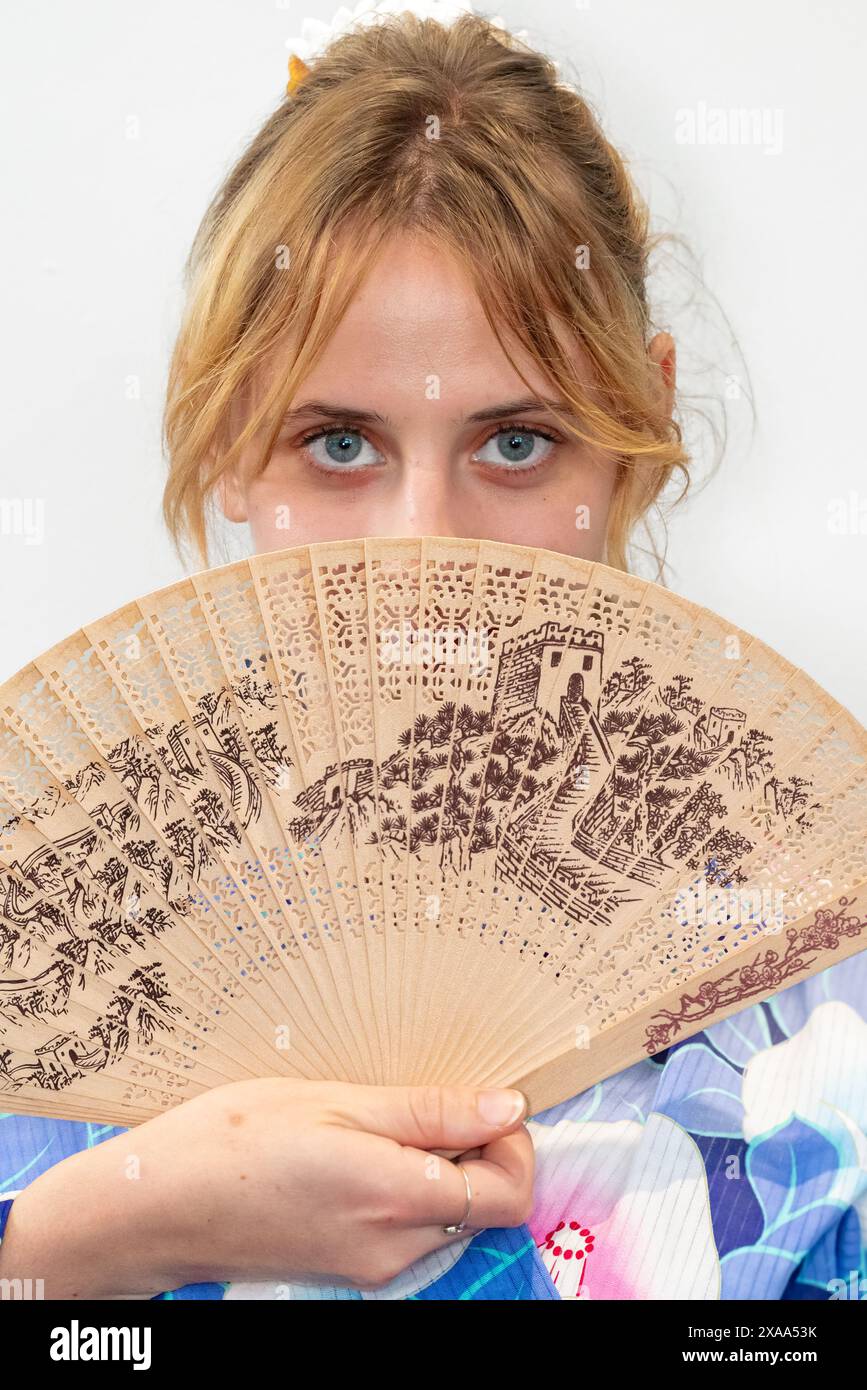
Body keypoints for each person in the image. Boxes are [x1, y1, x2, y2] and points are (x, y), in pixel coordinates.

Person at [1, 7, 864, 1301]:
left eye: (515, 443)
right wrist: (88, 1244)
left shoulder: (812, 965)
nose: (422, 551)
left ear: (640, 425)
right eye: (338, 443)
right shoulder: (63, 934)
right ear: (233, 439)